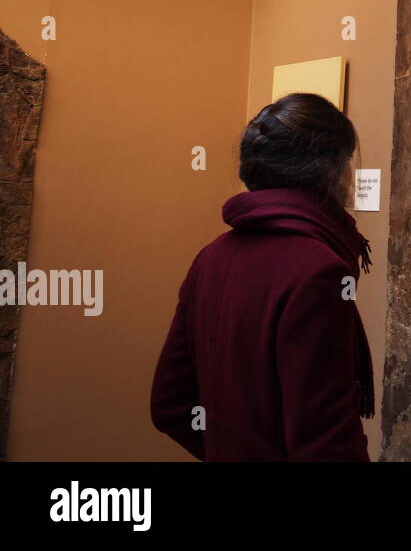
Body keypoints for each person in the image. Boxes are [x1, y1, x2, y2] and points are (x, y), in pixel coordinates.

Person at [150, 93, 374, 461]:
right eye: (347, 160)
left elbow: (171, 405)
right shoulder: (319, 271)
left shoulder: (210, 258)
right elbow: (326, 443)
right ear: (330, 170)